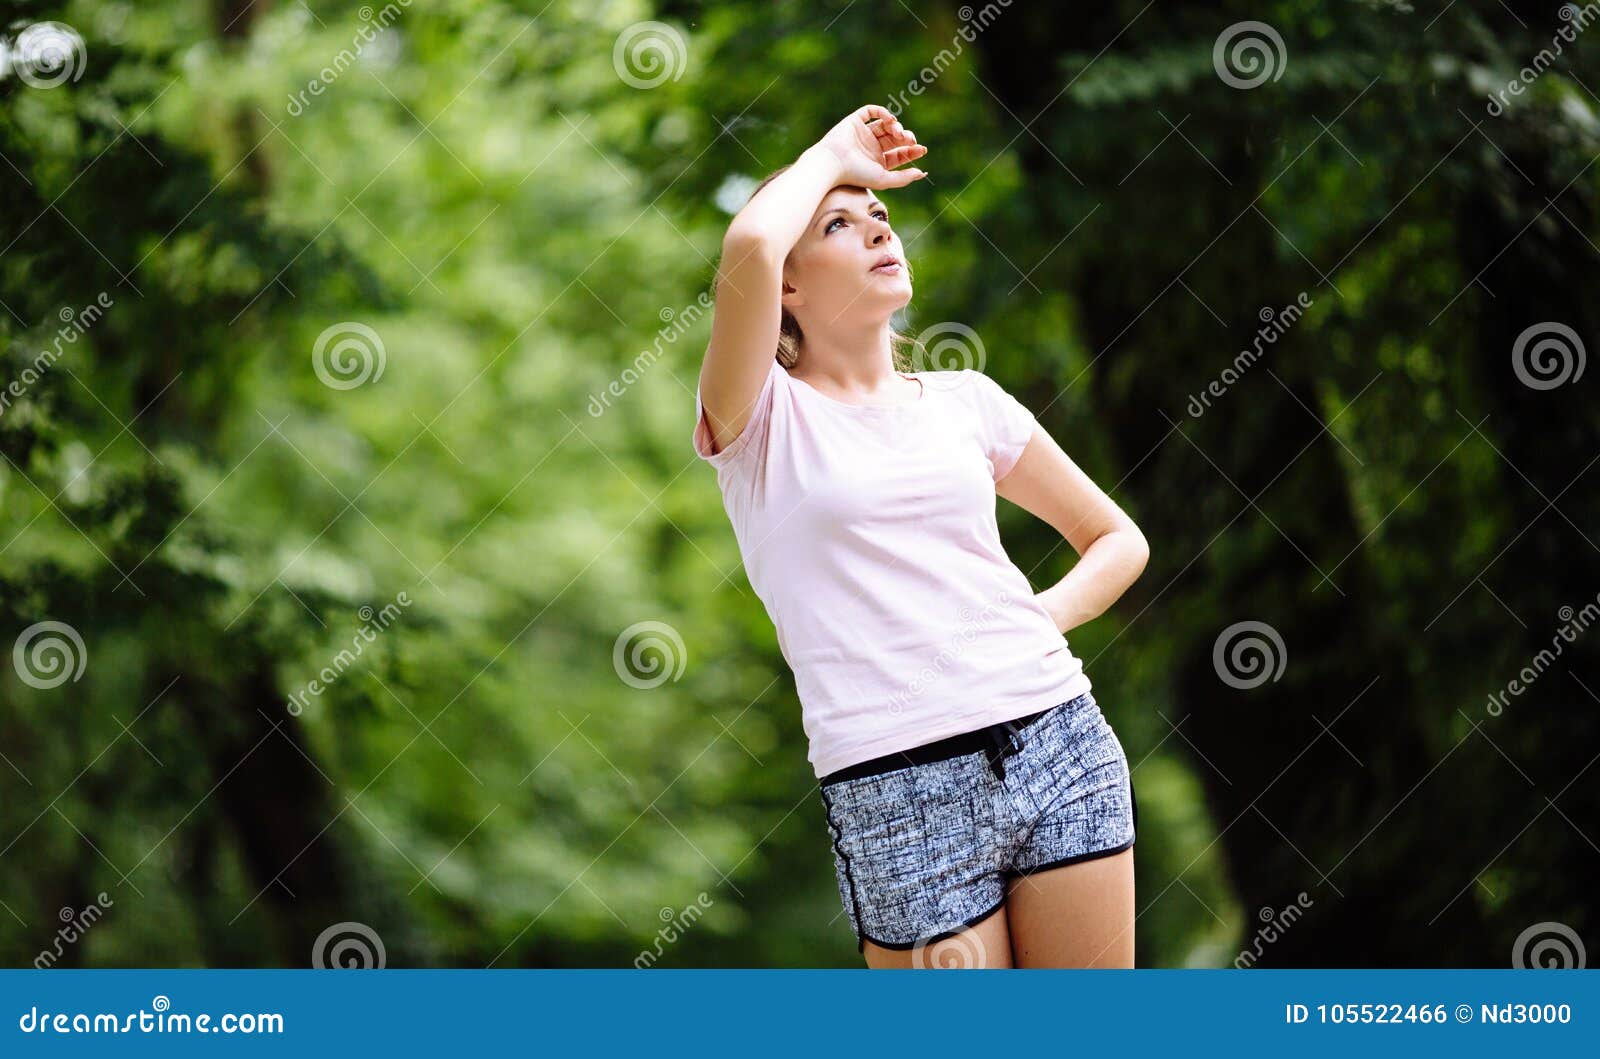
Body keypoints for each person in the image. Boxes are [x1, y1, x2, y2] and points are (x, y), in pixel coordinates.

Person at [691, 104, 1150, 968]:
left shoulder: (967, 402)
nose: (875, 230)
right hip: (895, 784)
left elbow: (1116, 537)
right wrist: (832, 151)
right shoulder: (758, 425)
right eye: (838, 221)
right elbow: (749, 247)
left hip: (1057, 739)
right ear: (787, 289)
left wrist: (1034, 622)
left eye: (880, 215)